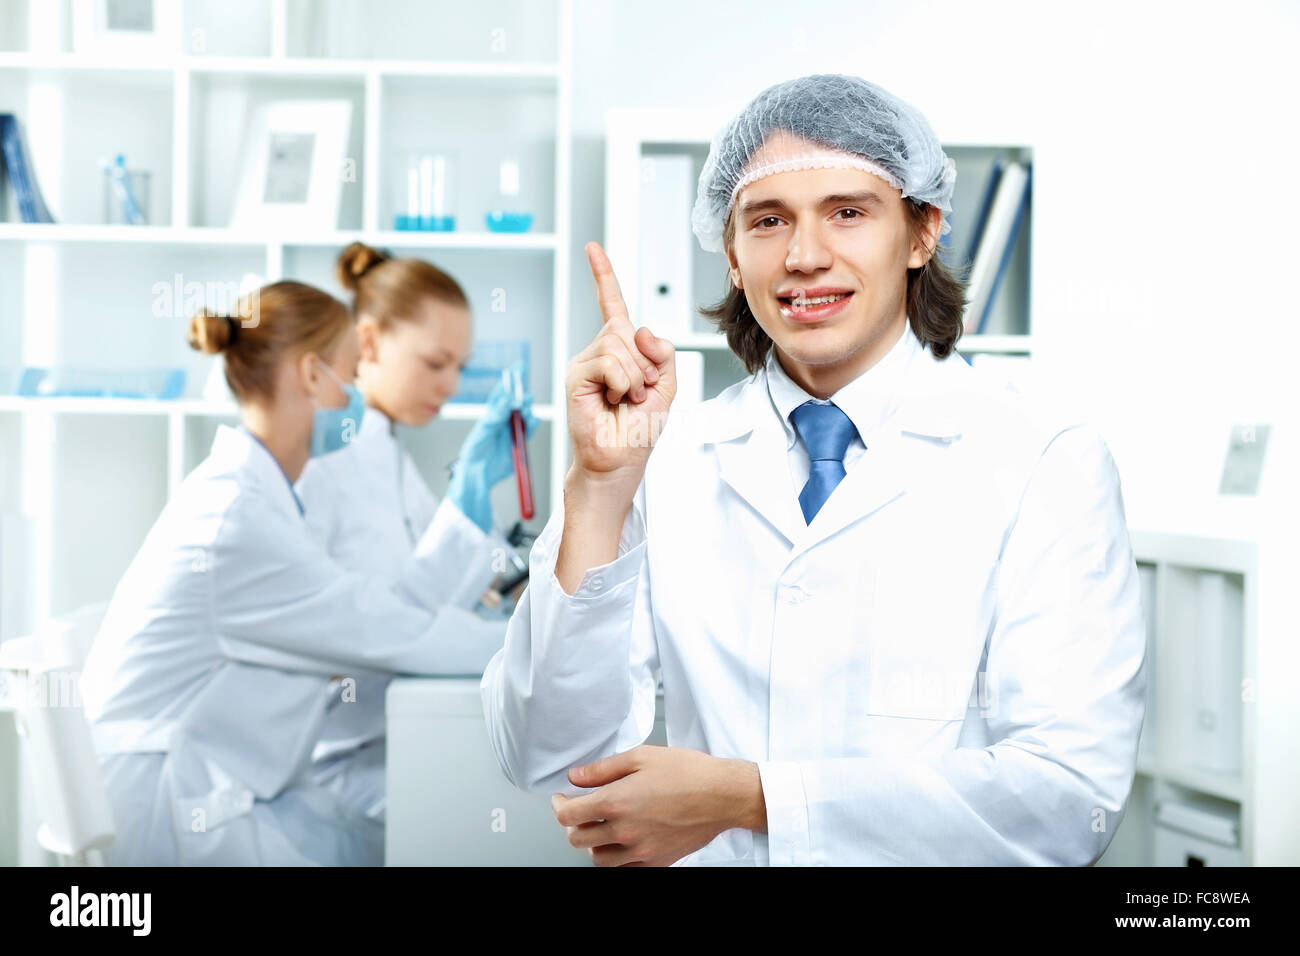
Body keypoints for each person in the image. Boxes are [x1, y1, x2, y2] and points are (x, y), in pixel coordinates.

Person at [480, 73, 1147, 866]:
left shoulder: (1043, 461)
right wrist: (597, 491)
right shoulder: (662, 459)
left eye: (848, 213)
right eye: (768, 221)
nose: (804, 257)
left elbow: (1071, 799)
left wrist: (753, 798)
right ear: (731, 253)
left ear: (923, 231)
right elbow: (545, 753)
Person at [80, 280, 508, 866]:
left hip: (220, 784)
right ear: (311, 376)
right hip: (170, 809)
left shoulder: (254, 495)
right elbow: (383, 629)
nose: (356, 398)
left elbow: (366, 616)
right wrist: (533, 640)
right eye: (350, 376)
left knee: (396, 843)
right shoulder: (236, 519)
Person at [295, 242, 538, 823]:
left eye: (460, 366)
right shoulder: (322, 458)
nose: (451, 384)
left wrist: (476, 510)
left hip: (383, 732)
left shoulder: (386, 452)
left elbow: (431, 594)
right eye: (435, 364)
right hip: (330, 757)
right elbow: (382, 628)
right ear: (370, 342)